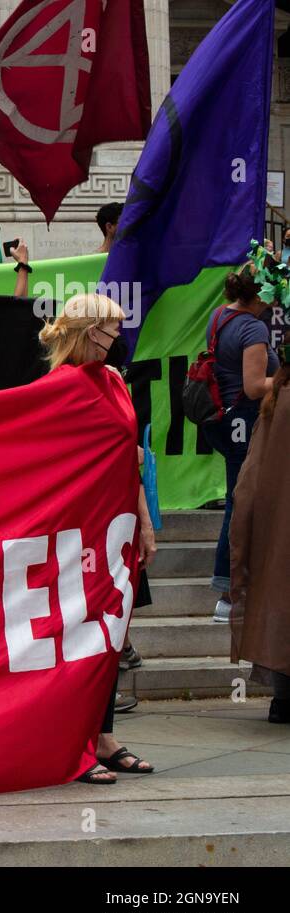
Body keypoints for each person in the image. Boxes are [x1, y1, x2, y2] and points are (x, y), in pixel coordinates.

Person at [38, 293, 157, 784]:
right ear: (91, 335)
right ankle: (75, 742)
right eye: (114, 331)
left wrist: (145, 521)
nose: (120, 340)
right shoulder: (57, 389)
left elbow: (129, 455)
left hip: (117, 529)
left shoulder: (113, 381)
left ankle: (103, 737)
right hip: (75, 532)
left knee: (111, 629)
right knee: (80, 632)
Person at [202, 262, 280, 623]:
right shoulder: (252, 328)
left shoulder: (220, 316)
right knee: (240, 504)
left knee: (241, 501)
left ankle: (235, 590)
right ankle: (228, 594)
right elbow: (253, 386)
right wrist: (283, 378)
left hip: (227, 421)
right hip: (245, 421)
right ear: (261, 295)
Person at [229, 344, 290, 722]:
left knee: (280, 604)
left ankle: (283, 698)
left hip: (275, 525)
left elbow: (250, 477)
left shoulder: (277, 400)